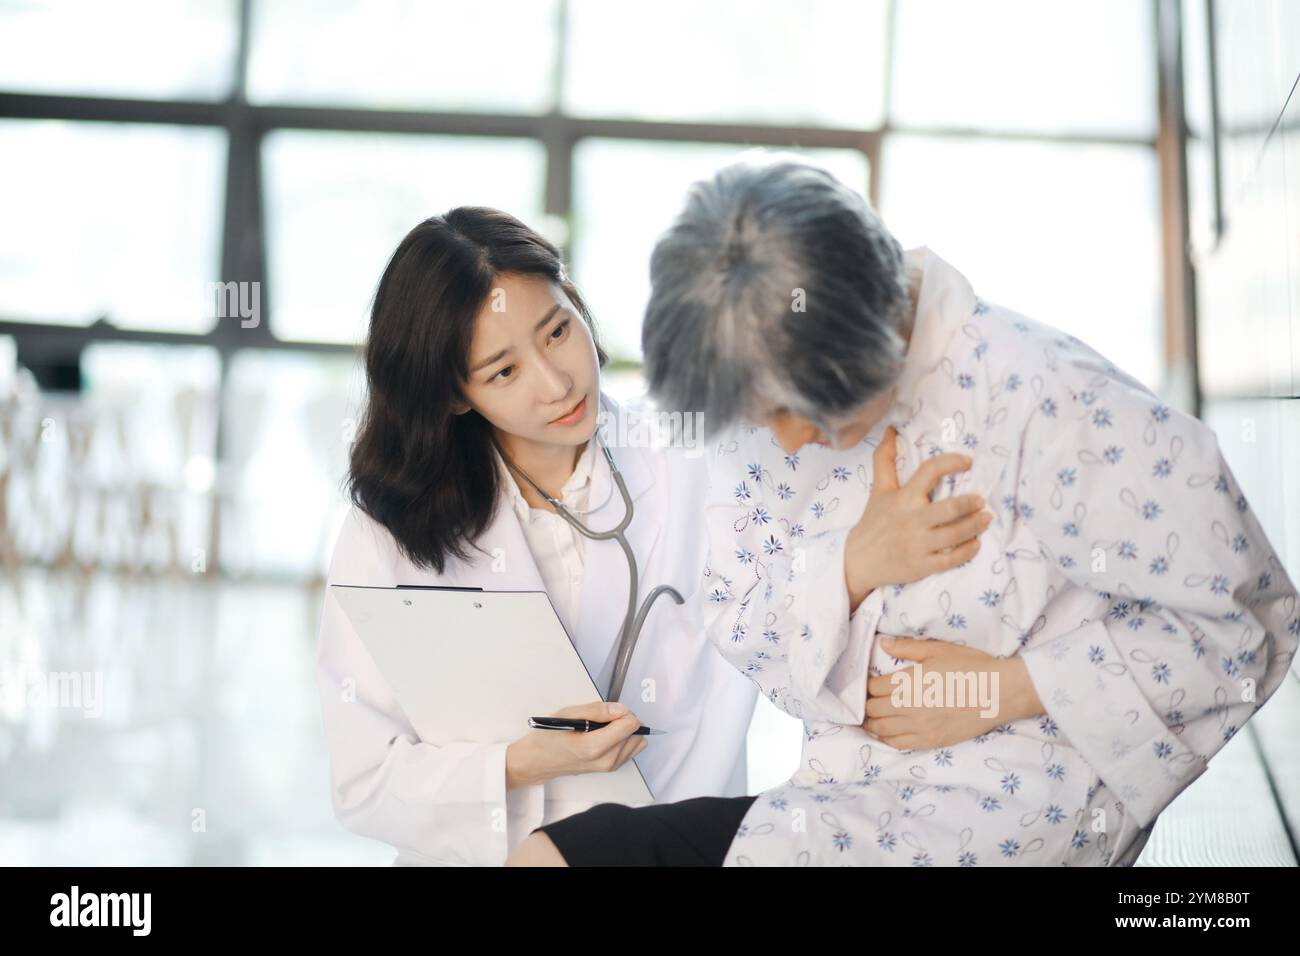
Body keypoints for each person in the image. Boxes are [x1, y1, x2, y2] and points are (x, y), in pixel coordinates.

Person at [506, 155, 1299, 867]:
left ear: (870, 339)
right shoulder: (755, 397)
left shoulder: (1047, 400)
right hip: (840, 796)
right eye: (754, 413)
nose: (779, 439)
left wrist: (1012, 687)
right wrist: (852, 565)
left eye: (794, 411)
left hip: (1016, 811)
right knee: (548, 859)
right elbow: (742, 620)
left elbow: (1246, 624)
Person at [316, 207, 765, 865]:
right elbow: (364, 780)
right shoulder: (390, 530)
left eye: (557, 331)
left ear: (576, 303)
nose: (557, 383)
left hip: (667, 851)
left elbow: (810, 621)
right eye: (504, 371)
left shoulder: (697, 464)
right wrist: (518, 764)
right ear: (454, 396)